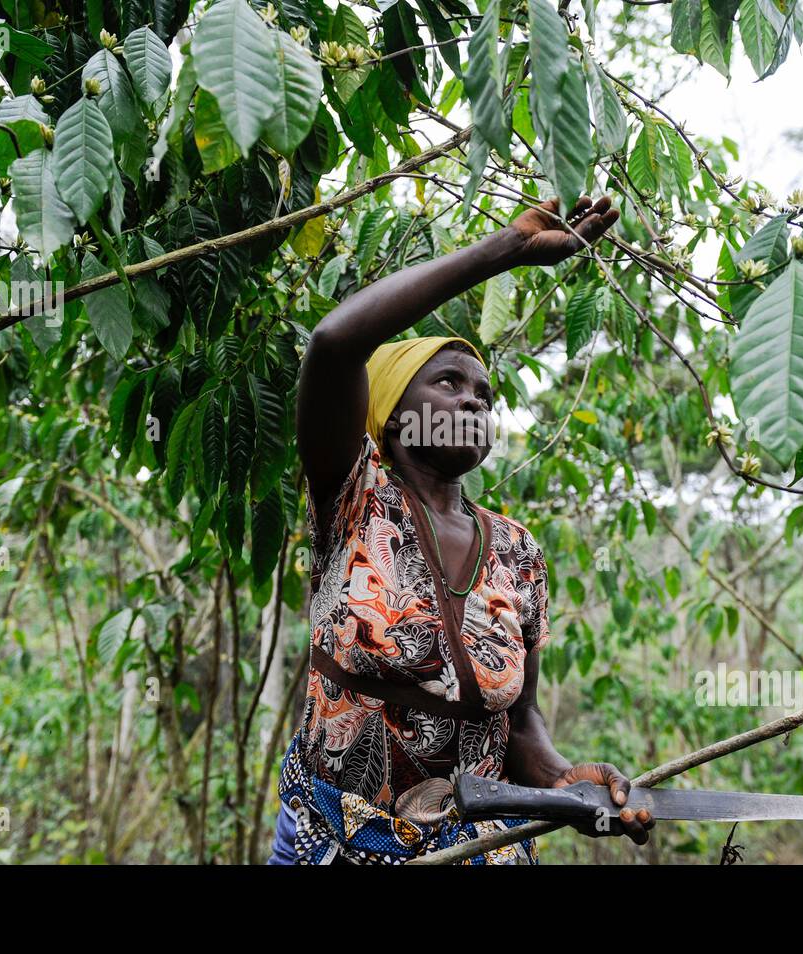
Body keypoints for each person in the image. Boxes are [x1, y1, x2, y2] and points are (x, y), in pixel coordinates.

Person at [269, 194, 655, 864]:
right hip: (334, 842)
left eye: (484, 393)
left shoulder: (517, 550)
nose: (473, 398)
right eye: (449, 382)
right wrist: (506, 249)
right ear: (390, 415)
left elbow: (521, 726)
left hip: (481, 851)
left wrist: (570, 783)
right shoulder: (354, 499)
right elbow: (334, 345)